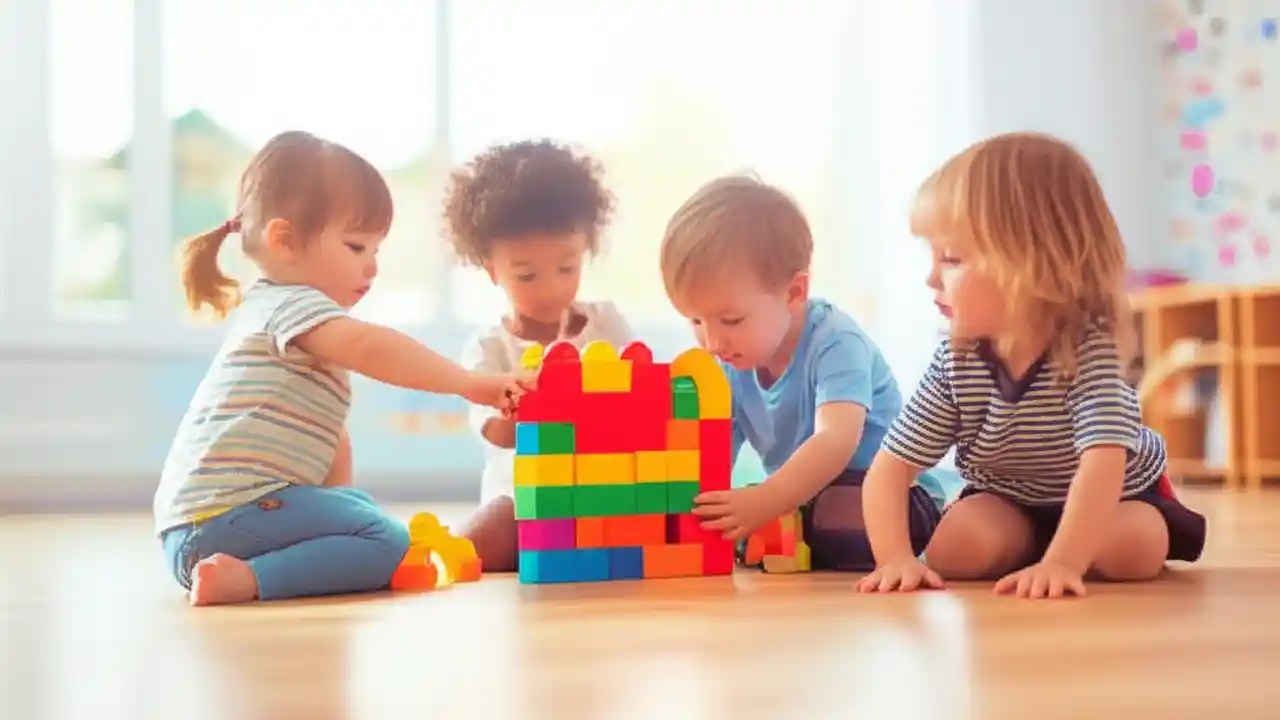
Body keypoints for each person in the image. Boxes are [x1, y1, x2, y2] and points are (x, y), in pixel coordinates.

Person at [156, 131, 525, 605]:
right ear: (284, 241)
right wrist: (469, 383)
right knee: (385, 541)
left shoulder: (274, 311)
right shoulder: (294, 306)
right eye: (356, 247)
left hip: (202, 523)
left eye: (376, 250)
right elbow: (372, 347)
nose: (371, 267)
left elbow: (332, 442)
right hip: (218, 523)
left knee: (358, 509)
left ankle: (258, 567)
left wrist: (341, 508)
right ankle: (247, 579)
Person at [858, 132, 1206, 599]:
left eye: (952, 258)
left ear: (1033, 264)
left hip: (1116, 498)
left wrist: (1064, 564)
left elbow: (1103, 463)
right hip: (1009, 499)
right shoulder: (956, 361)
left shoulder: (1087, 351)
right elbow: (891, 466)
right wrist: (894, 558)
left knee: (1132, 551)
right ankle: (1030, 549)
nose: (931, 277)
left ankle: (1058, 553)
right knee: (955, 550)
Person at [660, 175, 944, 569]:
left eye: (731, 320)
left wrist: (765, 501)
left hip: (887, 493)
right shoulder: (727, 361)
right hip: (801, 499)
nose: (712, 342)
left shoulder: (837, 342)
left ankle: (792, 529)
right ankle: (786, 529)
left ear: (794, 293)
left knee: (834, 513)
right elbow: (714, 452)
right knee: (725, 513)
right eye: (695, 321)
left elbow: (835, 440)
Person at [445, 139, 632, 572]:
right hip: (524, 499)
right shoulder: (489, 348)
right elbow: (496, 430)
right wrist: (549, 395)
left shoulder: (607, 325)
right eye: (527, 275)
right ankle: (438, 553)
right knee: (488, 534)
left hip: (602, 488)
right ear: (492, 270)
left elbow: (639, 400)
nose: (550, 289)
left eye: (567, 268)